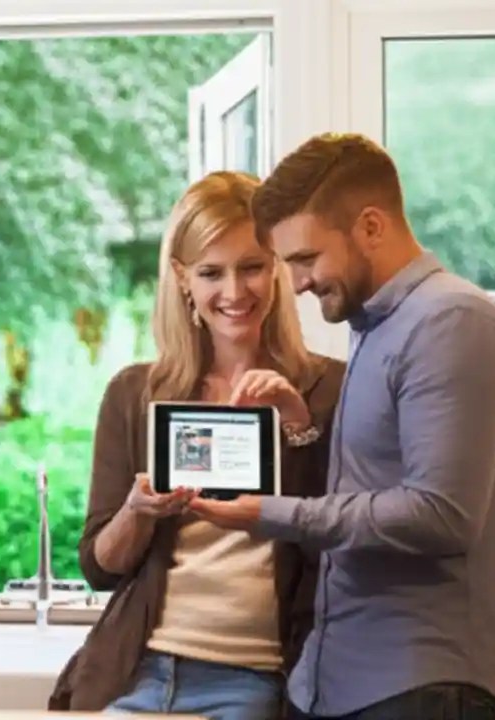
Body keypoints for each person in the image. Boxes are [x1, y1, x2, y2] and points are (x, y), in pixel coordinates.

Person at [186, 133, 495, 720]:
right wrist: (306, 432)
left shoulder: (450, 323)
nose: (294, 284)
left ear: (371, 227)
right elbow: (375, 489)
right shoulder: (376, 330)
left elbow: (440, 515)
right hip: (343, 684)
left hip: (427, 688)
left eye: (305, 260)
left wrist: (267, 512)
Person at [47, 171, 345, 720]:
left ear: (278, 268)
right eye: (212, 273)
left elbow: (339, 548)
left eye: (252, 267)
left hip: (249, 677)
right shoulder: (134, 395)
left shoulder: (329, 390)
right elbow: (99, 568)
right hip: (134, 671)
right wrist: (136, 514)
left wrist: (299, 429)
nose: (234, 293)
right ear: (183, 279)